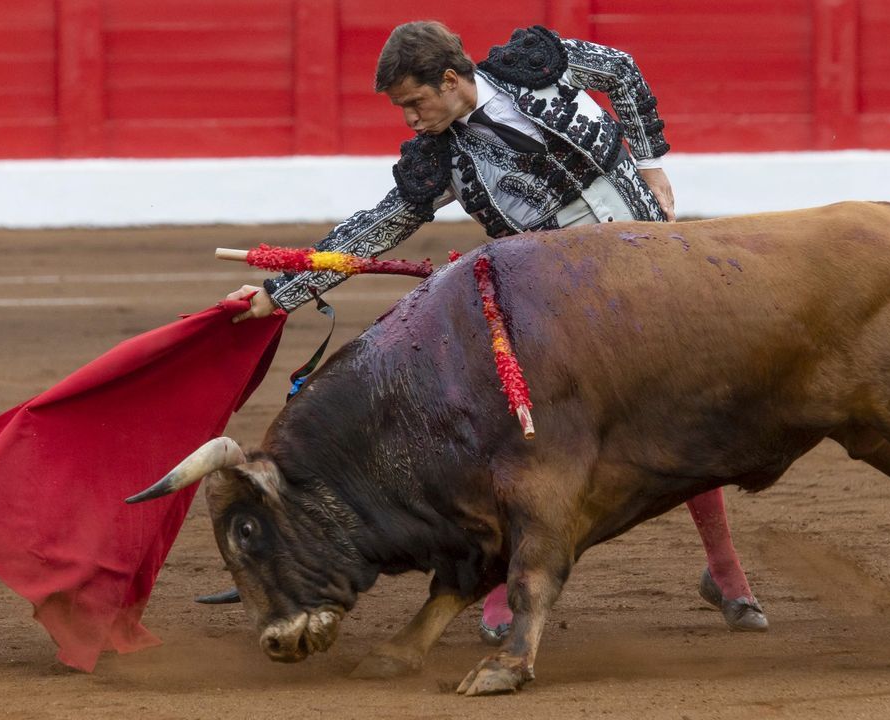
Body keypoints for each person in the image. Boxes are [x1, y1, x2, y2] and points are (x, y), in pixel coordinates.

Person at [225, 20, 767, 643]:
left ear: (450, 80)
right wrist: (280, 292)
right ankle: (502, 592)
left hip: (656, 265)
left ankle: (724, 571)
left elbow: (620, 68)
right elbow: (375, 228)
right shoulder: (441, 159)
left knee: (688, 412)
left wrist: (652, 164)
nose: (410, 120)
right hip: (566, 312)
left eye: (414, 102)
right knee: (530, 440)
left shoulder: (536, 65)